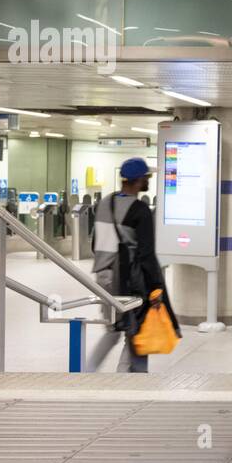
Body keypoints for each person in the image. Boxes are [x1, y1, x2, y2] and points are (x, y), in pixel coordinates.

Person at [87, 157, 174, 373]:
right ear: (137, 180)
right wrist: (156, 287)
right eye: (147, 177)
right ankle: (128, 379)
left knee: (113, 328)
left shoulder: (104, 203)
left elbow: (94, 241)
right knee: (136, 331)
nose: (148, 181)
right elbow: (146, 254)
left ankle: (86, 371)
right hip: (129, 279)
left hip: (104, 276)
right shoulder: (139, 209)